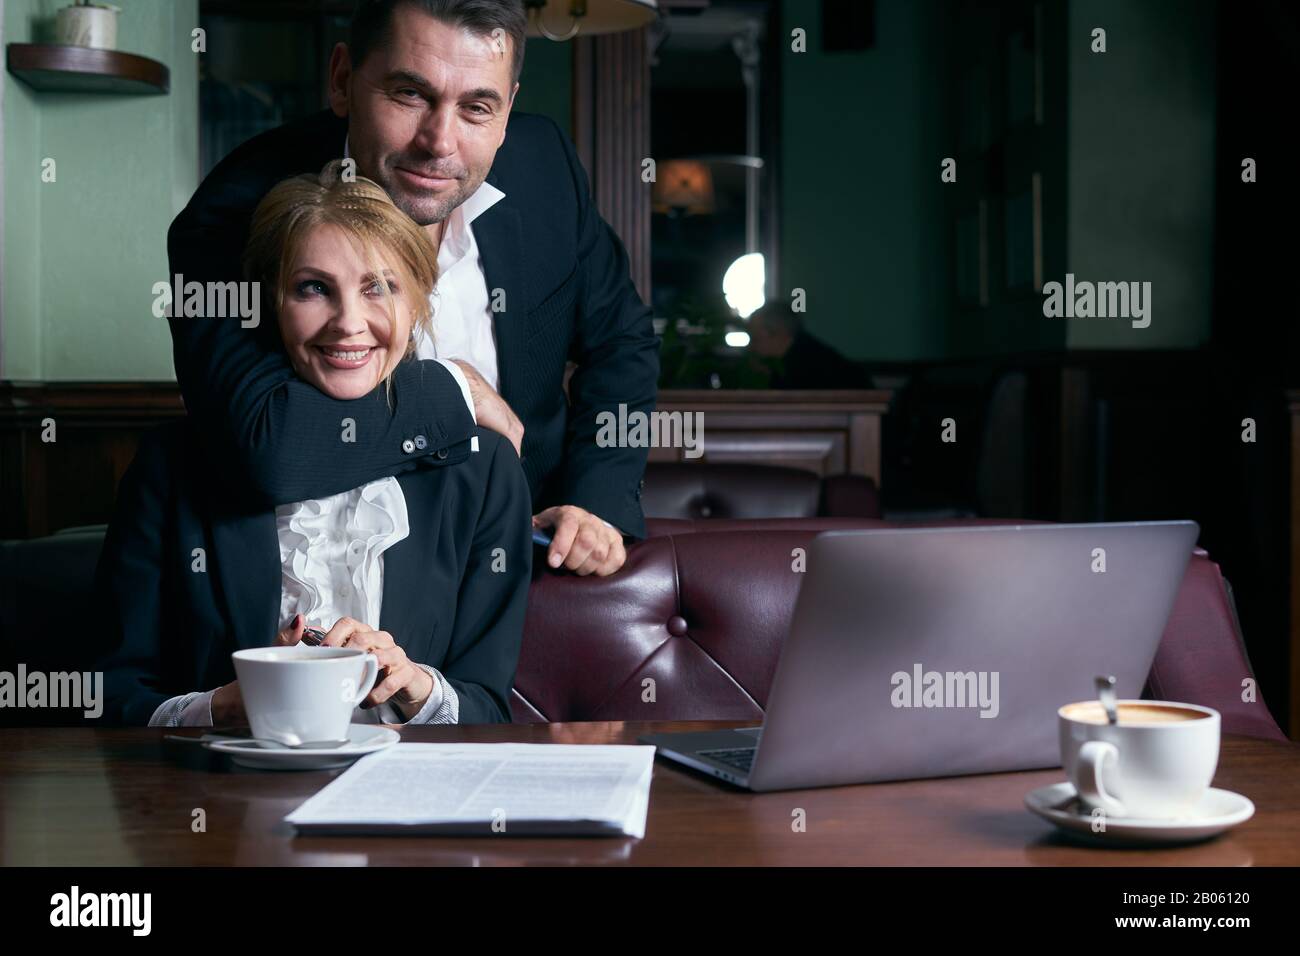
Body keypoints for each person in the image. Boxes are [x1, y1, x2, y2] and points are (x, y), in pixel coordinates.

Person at [167, 0, 659, 577]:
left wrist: (596, 498)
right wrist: (453, 391)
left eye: (477, 107)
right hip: (328, 587)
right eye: (410, 95)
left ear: (507, 111)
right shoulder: (233, 213)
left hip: (521, 572)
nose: (439, 142)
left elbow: (621, 342)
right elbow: (267, 445)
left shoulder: (543, 166)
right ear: (344, 80)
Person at [98, 163, 532, 726]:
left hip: (409, 801)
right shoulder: (171, 468)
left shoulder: (486, 470)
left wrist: (415, 685)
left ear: (418, 300)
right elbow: (110, 698)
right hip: (222, 804)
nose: (349, 322)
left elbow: (488, 713)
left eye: (379, 287)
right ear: (272, 305)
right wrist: (227, 704)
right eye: (313, 288)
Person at [747, 303, 866, 389]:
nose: (752, 347)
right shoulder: (806, 353)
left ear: (780, 332)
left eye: (756, 339)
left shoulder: (809, 362)